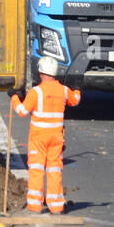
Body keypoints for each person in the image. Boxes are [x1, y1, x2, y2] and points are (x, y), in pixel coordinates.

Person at [11, 56, 81, 214]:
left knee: (36, 168)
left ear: (41, 73)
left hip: (39, 138)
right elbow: (75, 100)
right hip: (56, 138)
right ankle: (56, 205)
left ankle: (35, 205)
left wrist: (14, 97)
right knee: (54, 169)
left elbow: (22, 111)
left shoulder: (36, 92)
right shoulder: (64, 90)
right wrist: (76, 88)